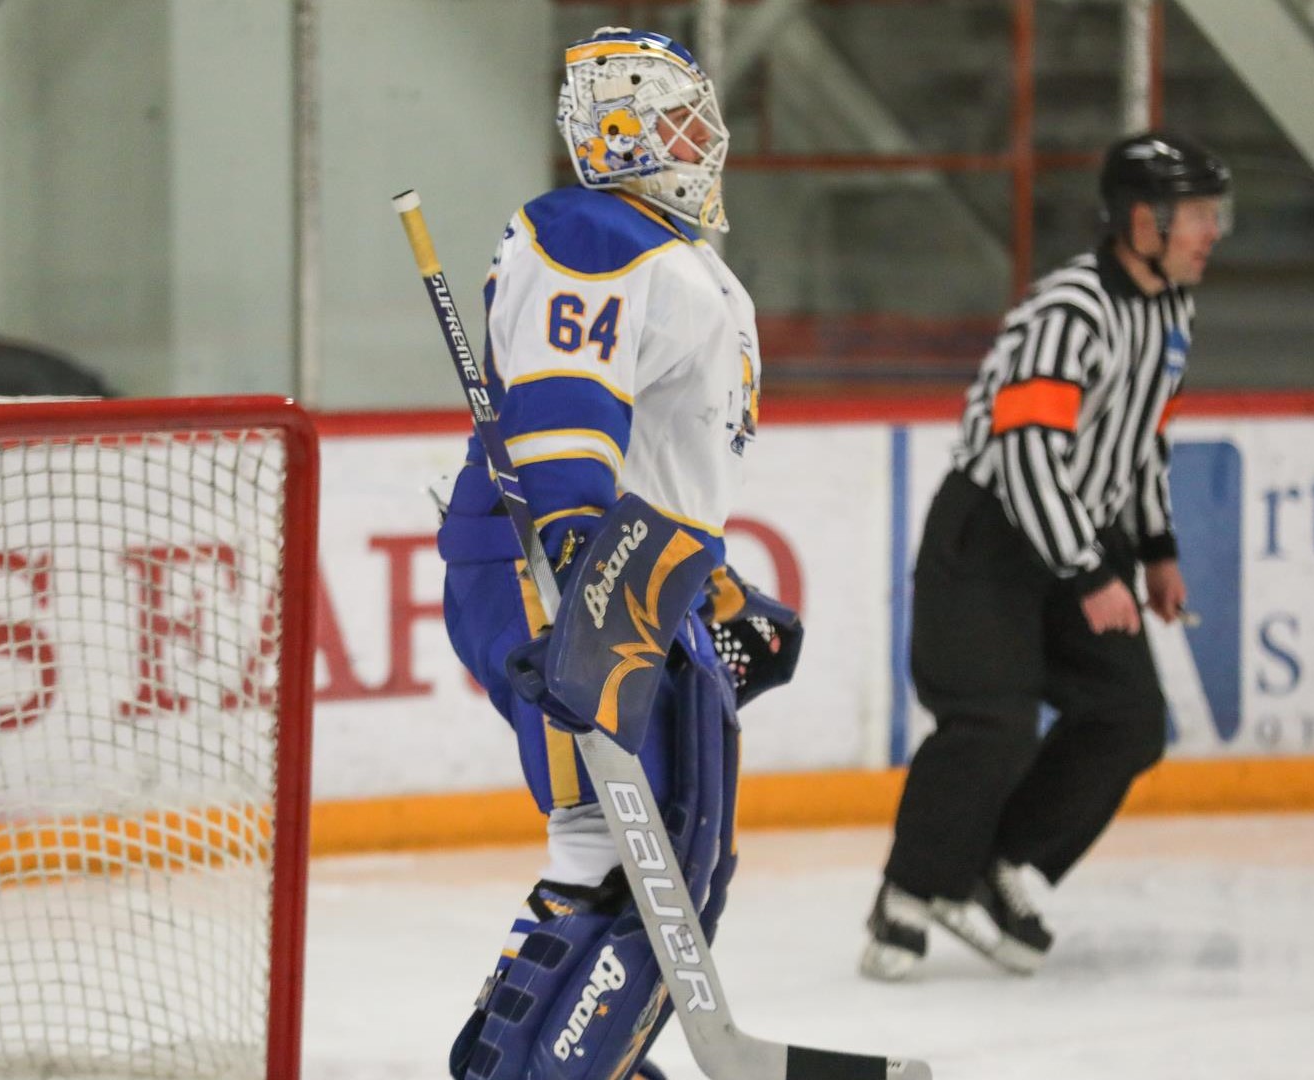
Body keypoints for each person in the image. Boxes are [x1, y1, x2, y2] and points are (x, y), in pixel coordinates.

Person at [435, 27, 799, 1080]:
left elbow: (665, 465)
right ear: (623, 130)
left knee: (663, 857)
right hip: (575, 574)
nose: (706, 136)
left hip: (634, 576)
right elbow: (562, 412)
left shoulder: (675, 259)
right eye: (682, 114)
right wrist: (576, 550)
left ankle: (557, 1065)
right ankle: (544, 1070)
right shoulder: (594, 230)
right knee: (640, 858)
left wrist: (716, 590)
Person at [860, 132, 1233, 980]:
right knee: (989, 719)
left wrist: (1158, 549)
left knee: (1128, 716)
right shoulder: (1069, 312)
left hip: (1077, 536)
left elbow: (1139, 440)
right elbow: (1027, 452)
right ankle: (907, 896)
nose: (1214, 232)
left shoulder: (1172, 310)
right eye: (1201, 216)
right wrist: (1093, 571)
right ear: (1146, 222)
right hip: (991, 532)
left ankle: (993, 865)